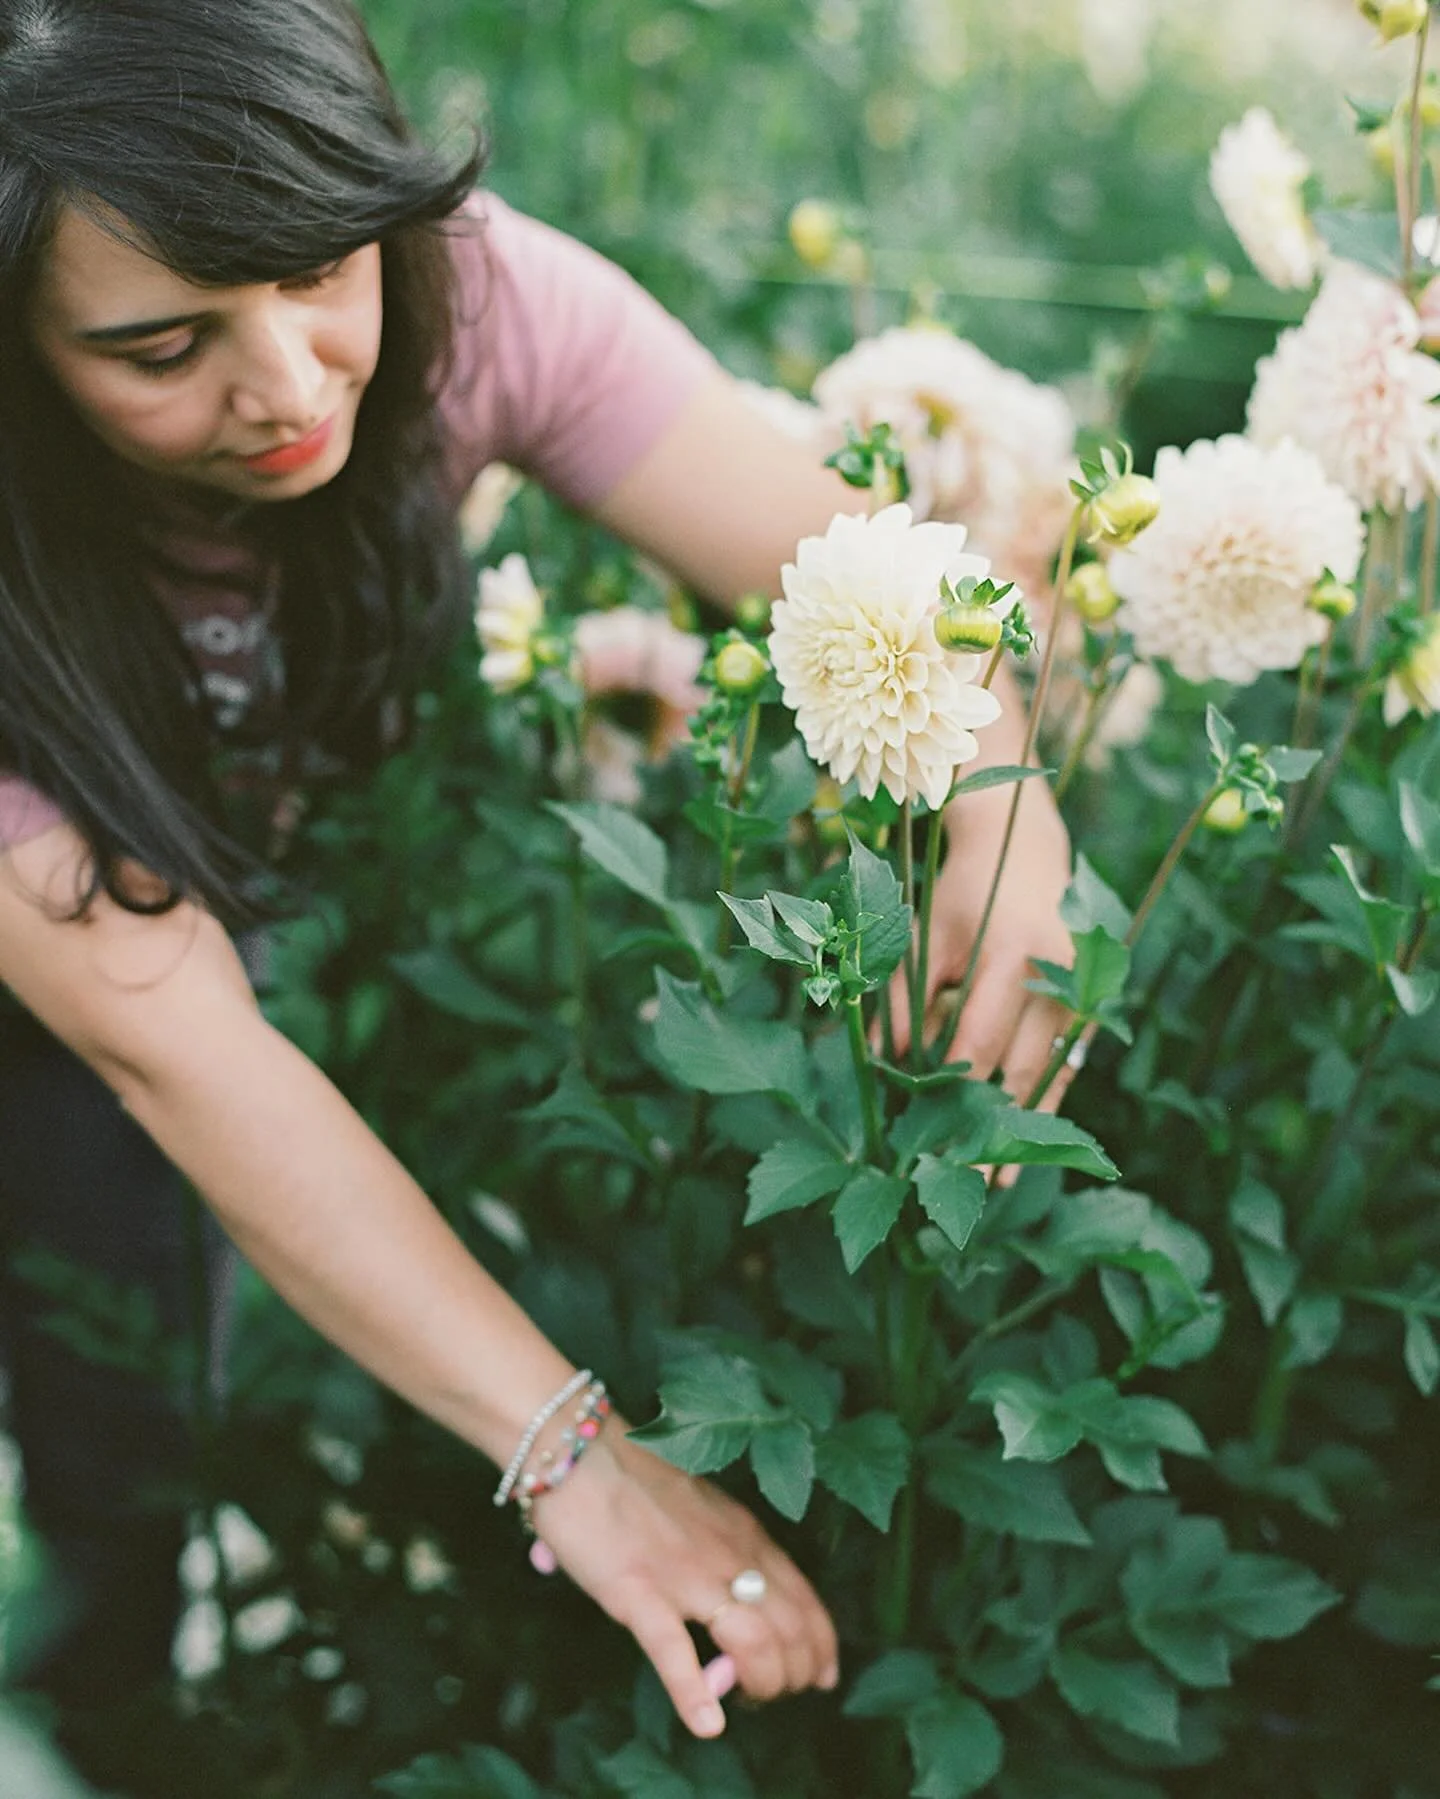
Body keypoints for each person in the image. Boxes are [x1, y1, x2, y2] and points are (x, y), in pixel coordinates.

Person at [0, 0, 1075, 1766]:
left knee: (140, 1373)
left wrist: (1000, 816)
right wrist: (574, 1457)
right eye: (163, 344)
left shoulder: (482, 292)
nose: (282, 384)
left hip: (164, 913)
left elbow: (858, 569)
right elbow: (175, 1048)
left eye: (316, 270)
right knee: (105, 1323)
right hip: (99, 956)